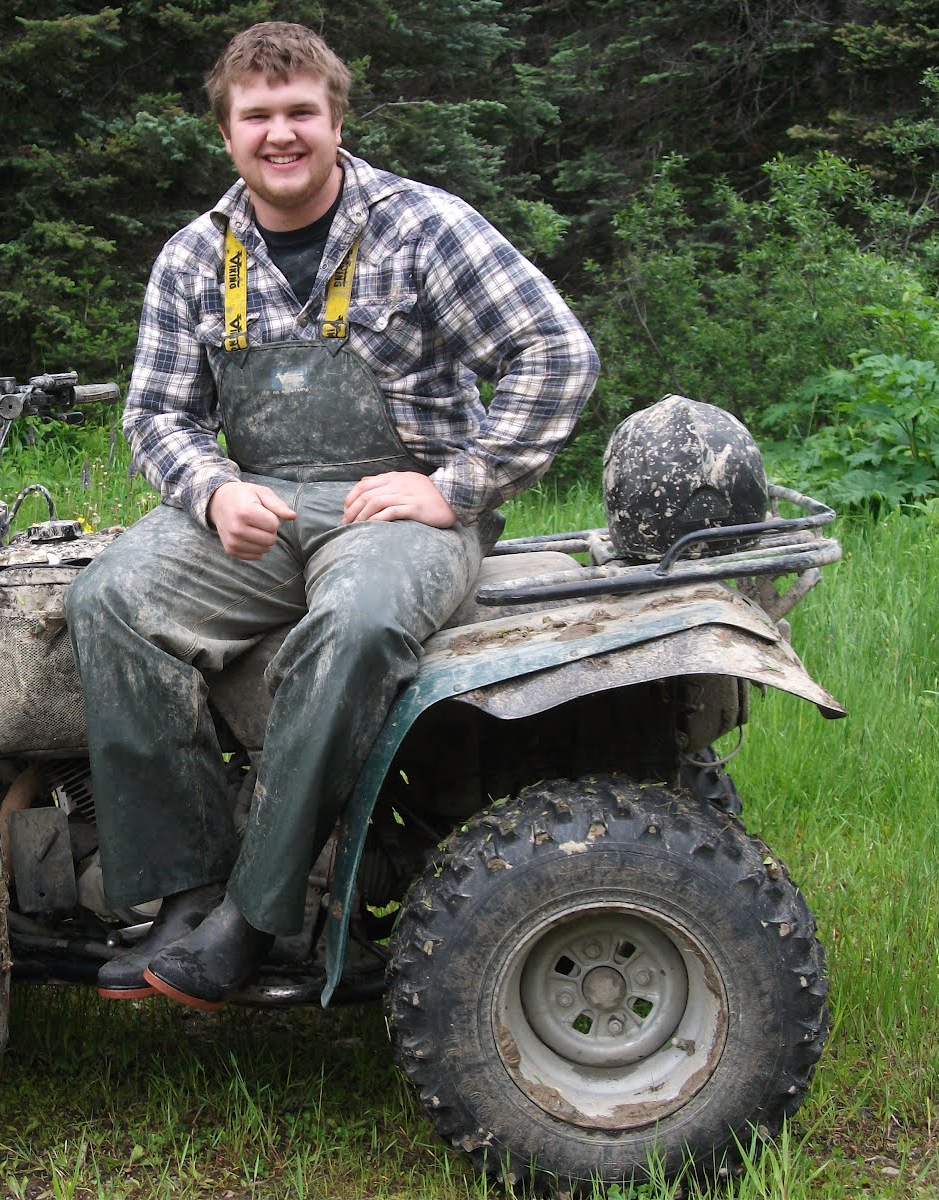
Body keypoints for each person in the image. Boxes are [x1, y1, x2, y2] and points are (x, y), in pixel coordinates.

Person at [64, 21, 599, 1010]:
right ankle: (188, 891)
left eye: (299, 111)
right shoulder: (195, 257)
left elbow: (555, 354)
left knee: (353, 624)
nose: (280, 134)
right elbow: (155, 413)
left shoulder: (422, 227)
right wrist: (214, 491)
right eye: (257, 116)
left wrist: (455, 485)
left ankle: (258, 917)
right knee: (109, 602)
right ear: (225, 133)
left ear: (335, 118)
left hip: (402, 513)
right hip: (260, 510)